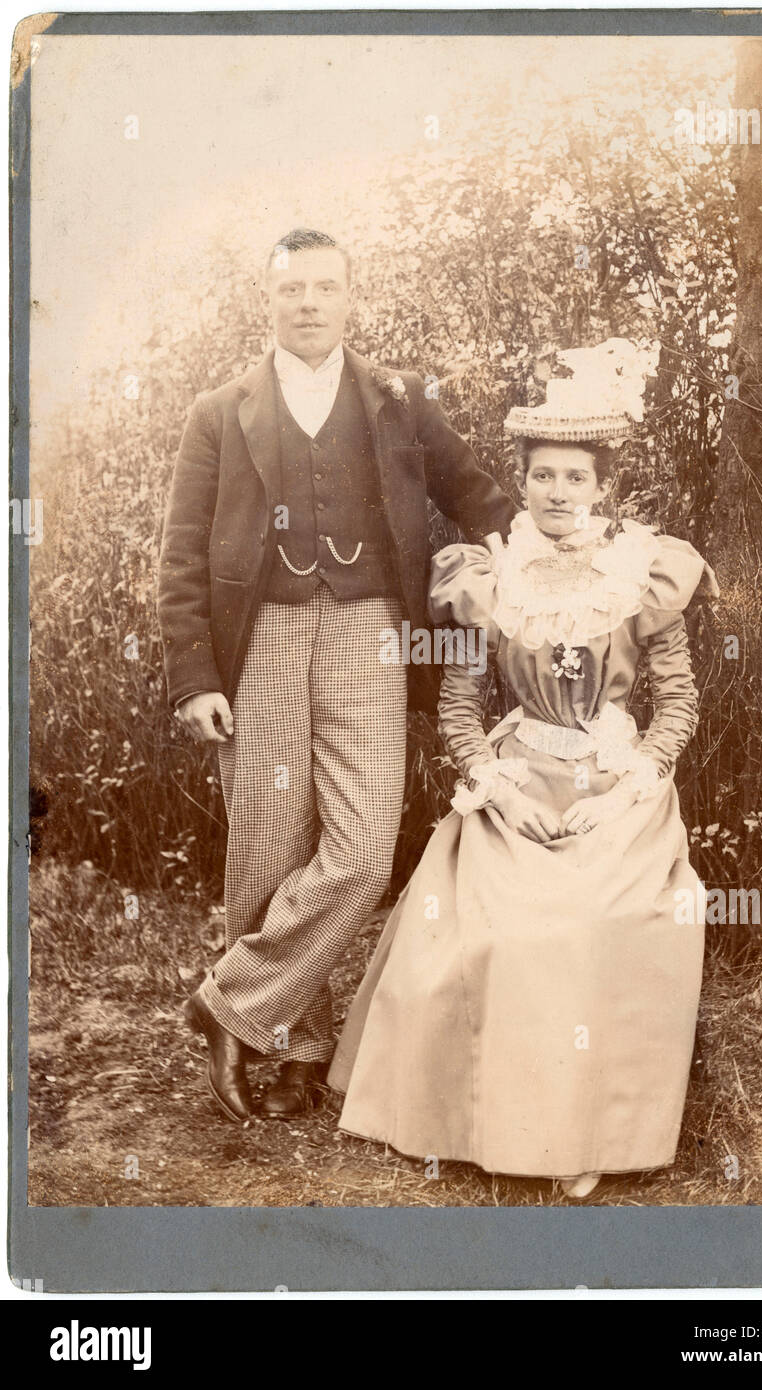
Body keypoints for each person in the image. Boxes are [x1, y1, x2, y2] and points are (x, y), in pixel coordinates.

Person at [329, 340, 720, 1198]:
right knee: (502, 934)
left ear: (601, 487)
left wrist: (626, 790)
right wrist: (496, 788)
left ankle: (582, 1134)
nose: (556, 494)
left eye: (574, 479)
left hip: (617, 791)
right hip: (514, 783)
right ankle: (485, 1122)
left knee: (595, 931)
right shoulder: (491, 575)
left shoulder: (643, 573)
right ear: (525, 480)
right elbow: (461, 708)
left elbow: (678, 707)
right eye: (542, 477)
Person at [157, 228, 516, 1123]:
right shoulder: (220, 411)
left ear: (352, 298)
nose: (308, 303)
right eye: (291, 290)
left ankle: (227, 1001)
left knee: (358, 855)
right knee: (269, 847)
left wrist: (565, 550)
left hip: (370, 631)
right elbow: (181, 559)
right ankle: (292, 1053)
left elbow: (476, 493)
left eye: (325, 288)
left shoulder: (399, 400)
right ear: (267, 300)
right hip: (262, 638)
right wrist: (196, 676)